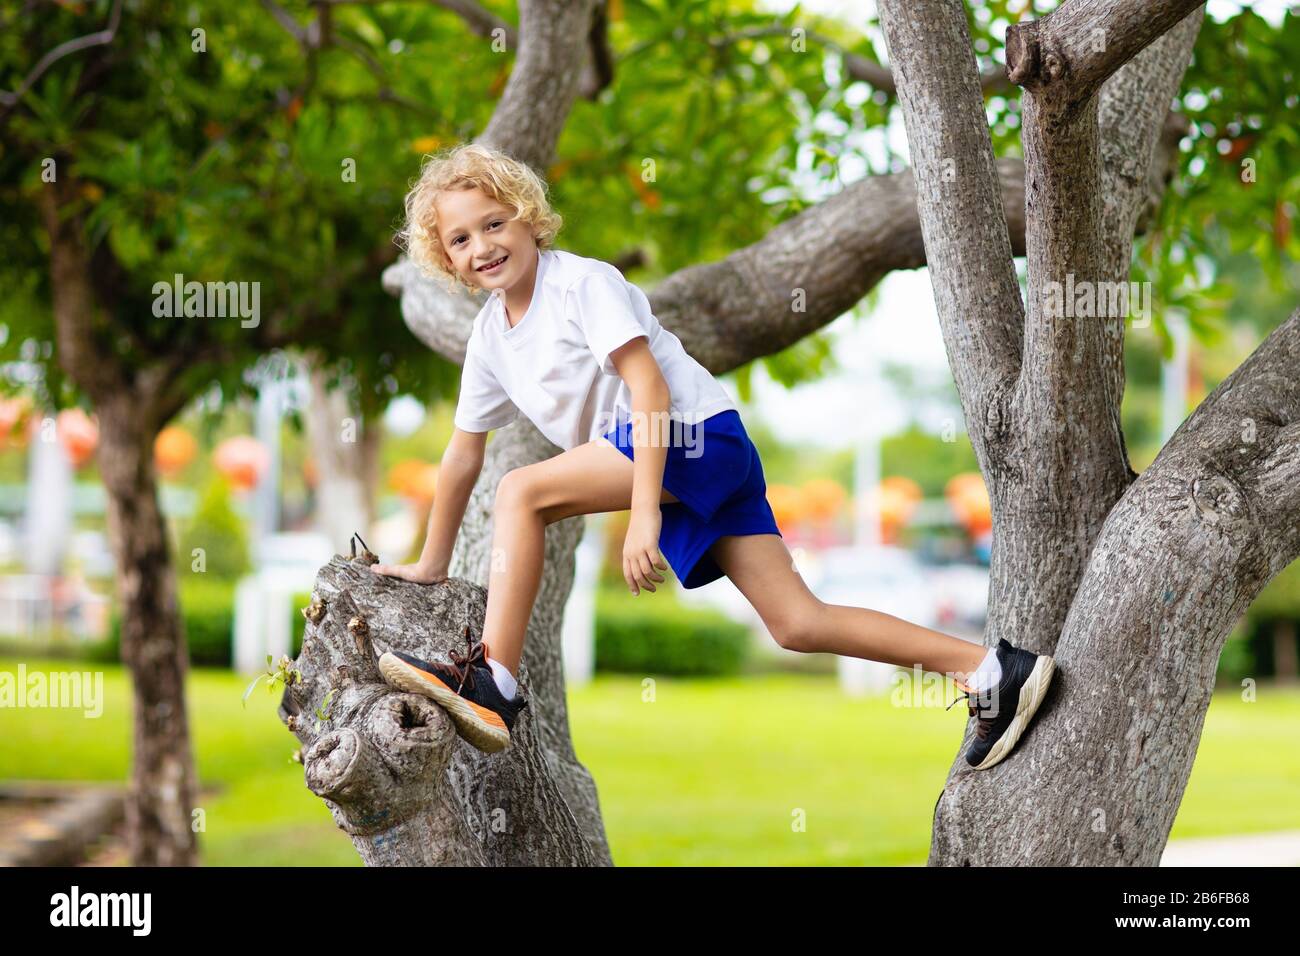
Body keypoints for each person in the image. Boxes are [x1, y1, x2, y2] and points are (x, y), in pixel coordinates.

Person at [371, 142, 1055, 768]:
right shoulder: (492, 335)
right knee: (796, 623)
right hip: (682, 462)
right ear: (447, 260)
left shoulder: (580, 284)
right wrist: (432, 562)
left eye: (494, 223)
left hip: (692, 438)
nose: (482, 245)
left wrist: (641, 515)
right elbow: (463, 456)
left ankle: (495, 683)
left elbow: (649, 384)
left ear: (527, 219)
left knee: (521, 489)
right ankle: (996, 671)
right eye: (460, 239)